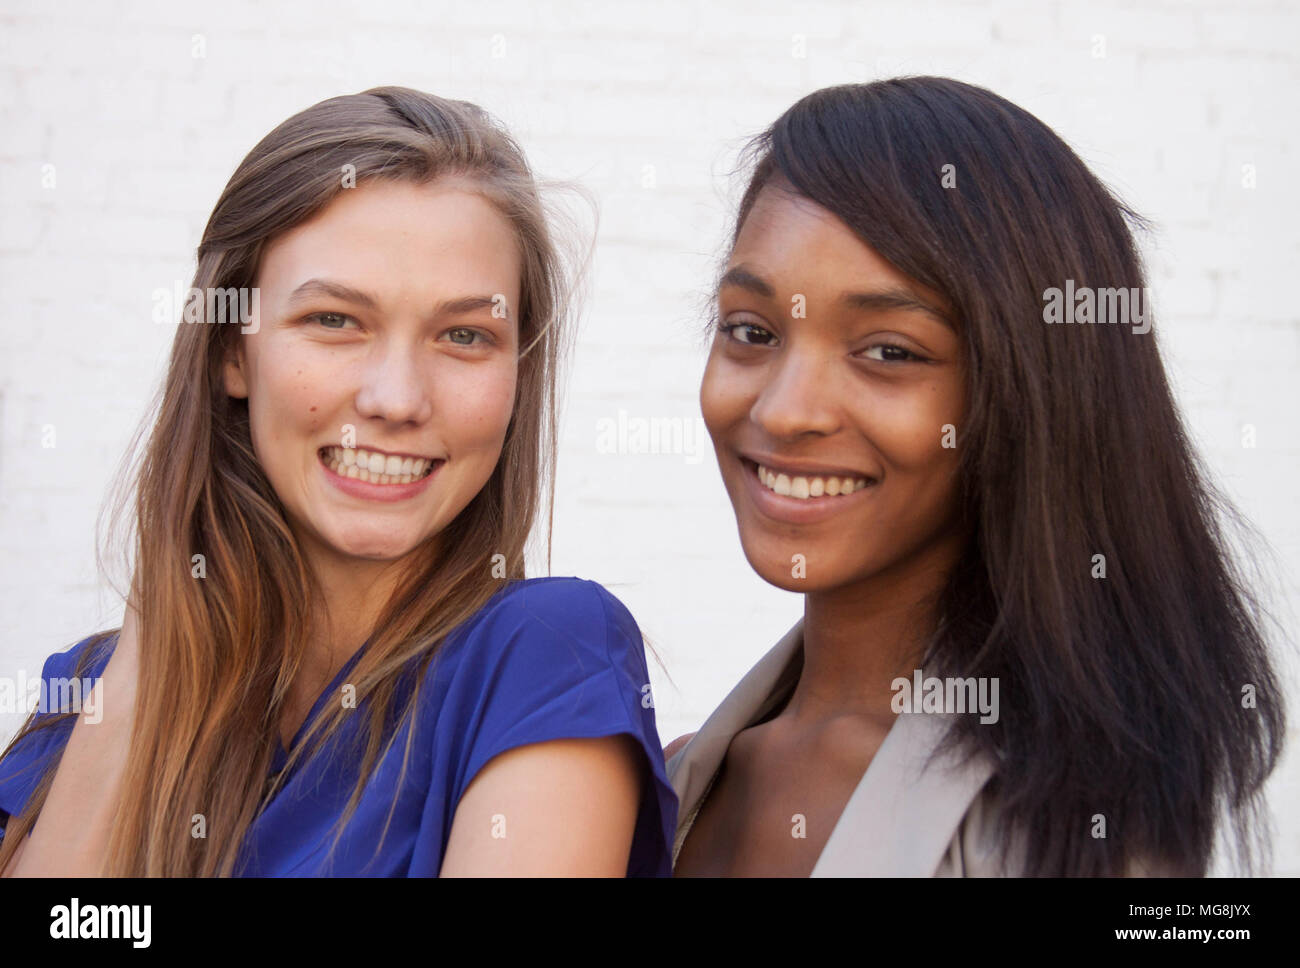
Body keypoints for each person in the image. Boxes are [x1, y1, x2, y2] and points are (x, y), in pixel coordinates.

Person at [0, 86, 676, 877]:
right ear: (231, 351)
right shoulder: (88, 686)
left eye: (463, 336)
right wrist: (171, 602)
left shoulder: (546, 658)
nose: (396, 398)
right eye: (334, 321)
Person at [667, 77, 1287, 877]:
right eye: (751, 331)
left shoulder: (1080, 831)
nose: (787, 412)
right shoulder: (671, 785)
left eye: (889, 351)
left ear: (1029, 393)